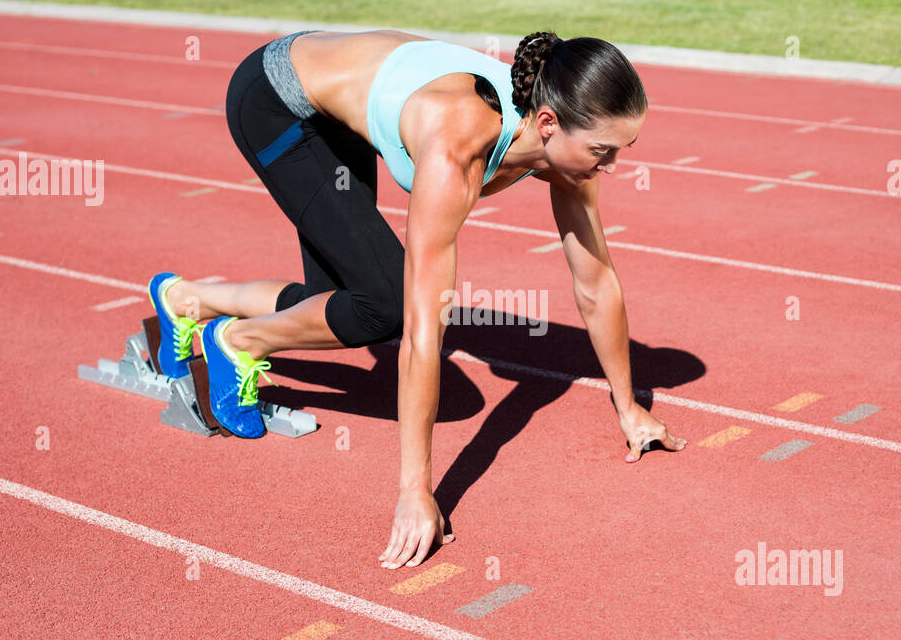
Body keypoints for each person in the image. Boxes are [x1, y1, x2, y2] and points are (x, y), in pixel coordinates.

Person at [147, 28, 686, 569]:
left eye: (623, 149)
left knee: (331, 304)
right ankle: (237, 342)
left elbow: (595, 283)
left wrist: (629, 407)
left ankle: (187, 302)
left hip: (339, 99)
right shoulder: (456, 148)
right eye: (603, 150)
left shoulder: (567, 150)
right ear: (548, 123)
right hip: (278, 99)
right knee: (383, 304)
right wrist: (415, 491)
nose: (612, 166)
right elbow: (424, 331)